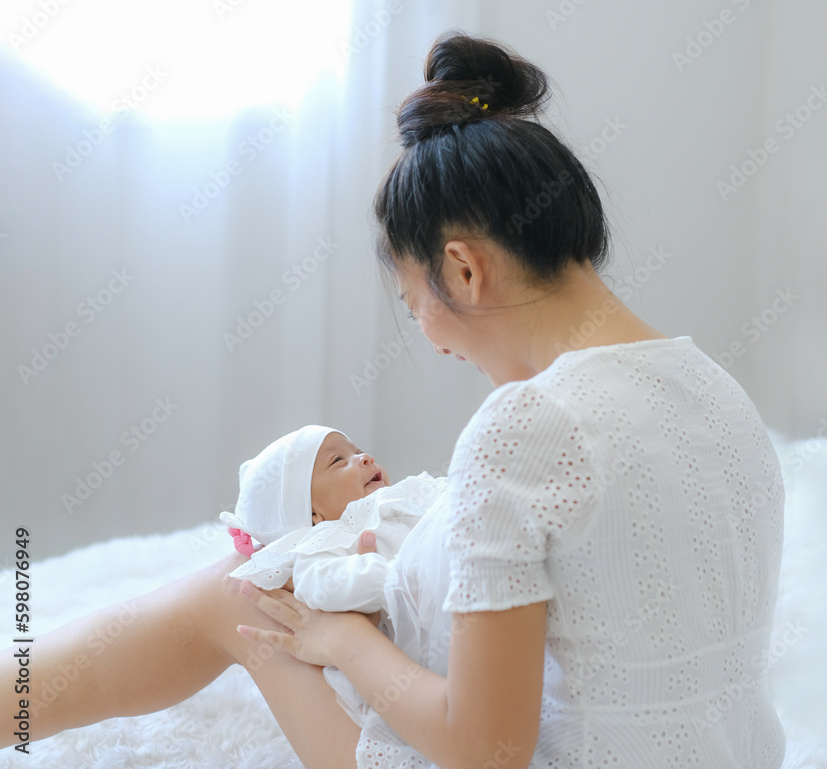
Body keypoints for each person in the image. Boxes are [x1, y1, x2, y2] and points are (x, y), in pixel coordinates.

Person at [1, 31, 786, 769]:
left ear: (464, 270)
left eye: (417, 303)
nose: (434, 340)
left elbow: (486, 750)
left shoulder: (528, 427)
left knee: (232, 595)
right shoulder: (714, 390)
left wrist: (341, 641)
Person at [218, 423, 450, 727]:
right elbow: (322, 586)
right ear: (313, 513)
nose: (364, 456)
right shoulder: (326, 540)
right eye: (338, 460)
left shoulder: (406, 496)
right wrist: (384, 575)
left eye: (356, 450)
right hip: (432, 622)